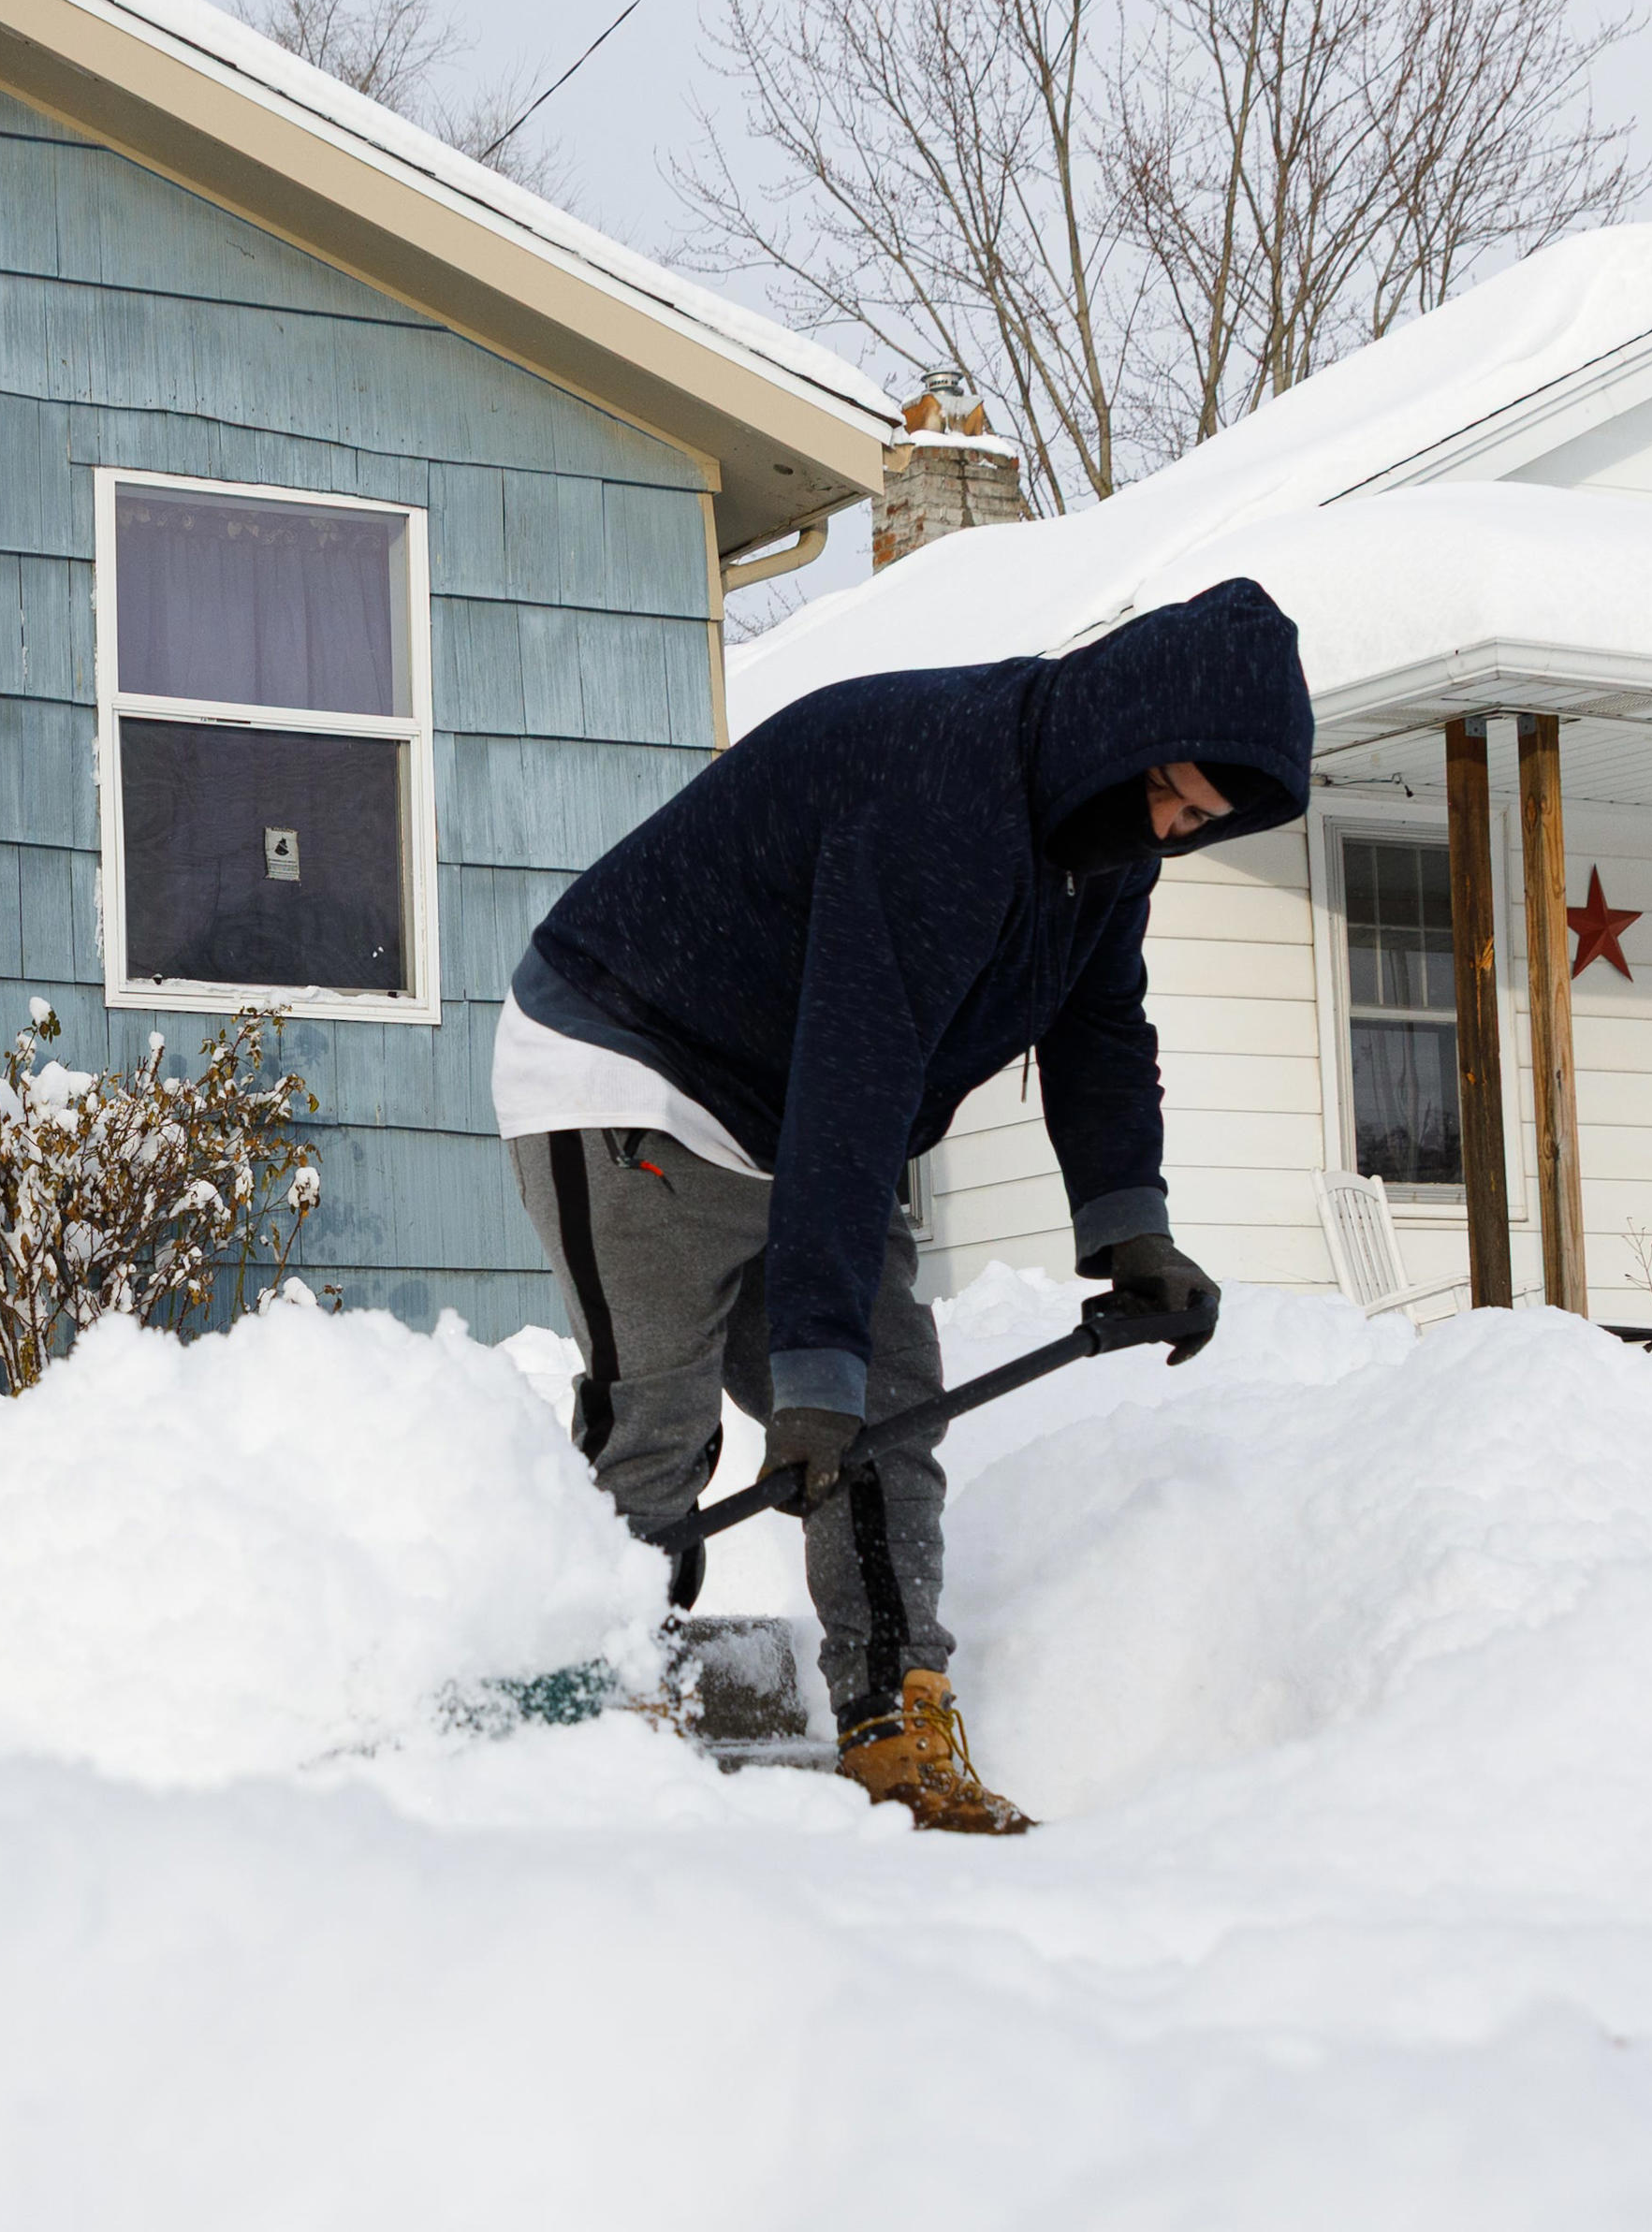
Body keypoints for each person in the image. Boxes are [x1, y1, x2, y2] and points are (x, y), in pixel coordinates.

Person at [502, 576, 1313, 1833]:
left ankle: (893, 1720)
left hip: (805, 1109)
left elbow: (1099, 1027)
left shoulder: (1099, 854)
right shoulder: (933, 787)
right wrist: (803, 1378)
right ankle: (593, 1699)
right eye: (1166, 794)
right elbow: (857, 1067)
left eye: (1195, 821)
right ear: (1121, 731)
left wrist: (1127, 1225)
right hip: (634, 1061)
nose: (1166, 831)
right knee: (656, 1408)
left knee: (884, 1414)